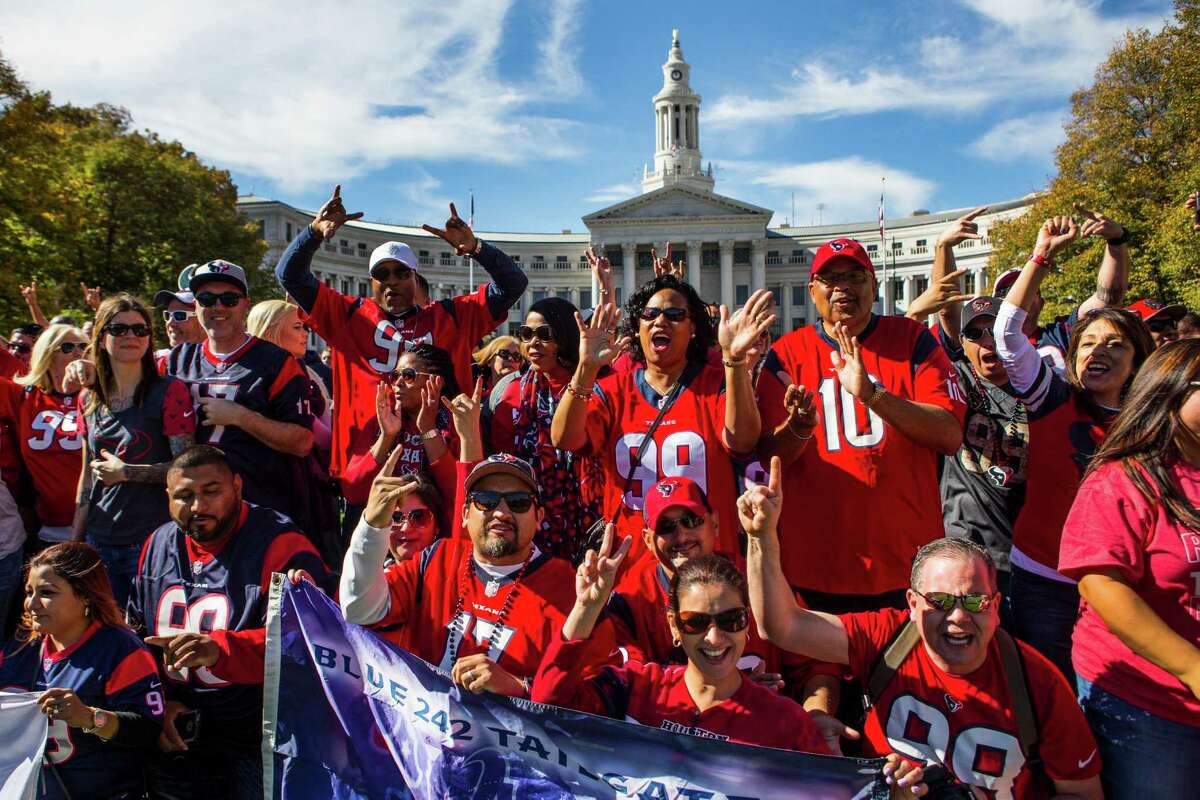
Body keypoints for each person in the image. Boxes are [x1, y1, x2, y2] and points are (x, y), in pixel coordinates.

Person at [742, 466, 1104, 798]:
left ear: (996, 606)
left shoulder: (1037, 684)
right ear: (913, 605)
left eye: (974, 601)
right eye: (940, 602)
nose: (958, 616)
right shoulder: (888, 637)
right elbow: (782, 627)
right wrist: (761, 537)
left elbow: (1083, 793)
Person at [274, 186, 526, 516]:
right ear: (371, 282)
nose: (391, 281)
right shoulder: (348, 315)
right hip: (369, 468)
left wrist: (476, 248)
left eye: (401, 273)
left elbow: (513, 284)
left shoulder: (452, 316)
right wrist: (313, 233)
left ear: (415, 278)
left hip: (439, 465)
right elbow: (289, 276)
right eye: (382, 274)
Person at [755, 238, 965, 612]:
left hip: (907, 566)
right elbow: (766, 456)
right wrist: (798, 427)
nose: (843, 288)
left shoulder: (911, 339)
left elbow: (948, 434)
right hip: (816, 569)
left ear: (873, 284)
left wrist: (872, 395)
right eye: (830, 279)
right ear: (812, 290)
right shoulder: (785, 356)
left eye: (854, 276)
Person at [995, 216, 1154, 682]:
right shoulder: (1052, 399)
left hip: (1125, 584)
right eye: (1087, 344)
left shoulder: (1155, 422)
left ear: (1138, 361)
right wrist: (1041, 254)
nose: (1097, 352)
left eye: (1114, 345)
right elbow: (1007, 336)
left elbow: (1110, 296)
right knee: (1051, 692)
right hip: (1045, 580)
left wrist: (1117, 242)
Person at [129, 445, 331, 800]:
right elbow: (136, 632)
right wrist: (159, 702)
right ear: (167, 496)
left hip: (257, 738)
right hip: (180, 733)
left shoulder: (281, 544)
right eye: (184, 496)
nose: (198, 506)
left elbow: (311, 642)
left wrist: (220, 650)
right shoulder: (157, 543)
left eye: (211, 491)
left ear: (237, 486)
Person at [340, 451, 608, 697]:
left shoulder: (570, 589)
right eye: (485, 501)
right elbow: (359, 609)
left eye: (518, 502)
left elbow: (599, 696)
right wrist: (372, 526)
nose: (501, 512)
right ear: (465, 514)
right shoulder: (438, 557)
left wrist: (519, 687)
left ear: (539, 517)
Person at [1059, 339, 1200, 799]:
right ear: (1169, 393)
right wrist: (1192, 667)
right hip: (1148, 706)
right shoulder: (1123, 477)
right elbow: (1100, 583)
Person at [551, 276, 772, 563]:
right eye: (650, 314)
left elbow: (742, 441)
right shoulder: (613, 390)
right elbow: (564, 439)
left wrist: (735, 361)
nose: (660, 321)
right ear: (638, 327)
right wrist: (586, 368)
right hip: (634, 565)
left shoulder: (716, 382)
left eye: (675, 314)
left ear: (693, 328)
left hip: (709, 567)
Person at [915, 210, 1028, 613]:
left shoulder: (1037, 383)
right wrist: (943, 247)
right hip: (966, 553)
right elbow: (947, 309)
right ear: (961, 344)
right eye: (974, 333)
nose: (986, 341)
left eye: (993, 330)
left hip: (1027, 555)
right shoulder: (957, 378)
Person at [0, 542, 164, 800]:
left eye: (47, 592)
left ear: (86, 595)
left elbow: (148, 730)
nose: (32, 604)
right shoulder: (21, 645)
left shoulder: (120, 649)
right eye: (29, 592)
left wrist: (89, 717)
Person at [165, 260, 316, 532]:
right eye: (207, 299)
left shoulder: (277, 362)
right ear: (195, 305)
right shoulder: (176, 360)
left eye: (229, 299)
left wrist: (241, 417)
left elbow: (302, 442)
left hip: (262, 514)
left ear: (245, 304)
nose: (218, 307)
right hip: (196, 515)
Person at [71, 294, 196, 609]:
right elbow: (87, 476)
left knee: (152, 629)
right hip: (99, 539)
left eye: (140, 330)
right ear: (101, 338)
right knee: (106, 627)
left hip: (153, 538)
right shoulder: (88, 398)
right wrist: (75, 540)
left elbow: (187, 469)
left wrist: (127, 472)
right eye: (119, 329)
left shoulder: (169, 391)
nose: (131, 336)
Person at [487, 297, 604, 562]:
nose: (532, 343)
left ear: (565, 335)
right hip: (532, 526)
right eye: (526, 334)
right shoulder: (509, 393)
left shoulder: (600, 387)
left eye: (544, 334)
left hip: (592, 523)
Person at [246, 299, 340, 562]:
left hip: (308, 484)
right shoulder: (276, 373)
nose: (305, 334)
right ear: (270, 331)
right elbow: (318, 436)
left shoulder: (306, 370)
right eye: (298, 327)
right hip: (284, 486)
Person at [990, 202, 1130, 372]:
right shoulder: (984, 348)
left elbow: (1108, 299)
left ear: (1041, 303)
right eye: (1006, 291)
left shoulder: (1062, 334)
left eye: (1031, 288)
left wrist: (1116, 241)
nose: (1020, 293)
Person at [339, 344, 460, 512]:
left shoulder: (457, 422)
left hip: (436, 525)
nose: (398, 383)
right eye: (395, 376)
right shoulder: (381, 421)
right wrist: (386, 437)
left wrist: (428, 430)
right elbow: (353, 491)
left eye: (409, 375)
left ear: (436, 381)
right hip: (387, 523)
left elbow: (458, 493)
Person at [0, 324, 87, 544]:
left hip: (98, 526)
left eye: (84, 347)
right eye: (68, 347)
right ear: (47, 354)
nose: (78, 353)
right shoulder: (24, 397)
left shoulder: (99, 397)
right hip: (46, 528)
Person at [154, 288, 205, 353]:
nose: (171, 322)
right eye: (168, 315)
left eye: (179, 316)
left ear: (202, 320)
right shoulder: (160, 358)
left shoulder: (216, 359)